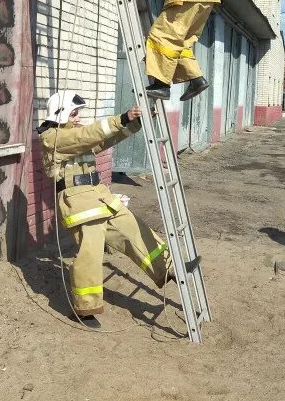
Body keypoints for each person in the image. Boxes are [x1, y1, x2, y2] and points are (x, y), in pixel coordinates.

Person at [38, 90, 198, 328]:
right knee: (90, 254)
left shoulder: (74, 134)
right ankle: (84, 308)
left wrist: (132, 124)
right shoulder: (52, 138)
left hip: (99, 197)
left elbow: (102, 140)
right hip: (78, 203)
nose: (78, 118)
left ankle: (169, 269)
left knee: (134, 229)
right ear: (59, 114)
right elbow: (87, 136)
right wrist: (121, 118)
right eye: (73, 114)